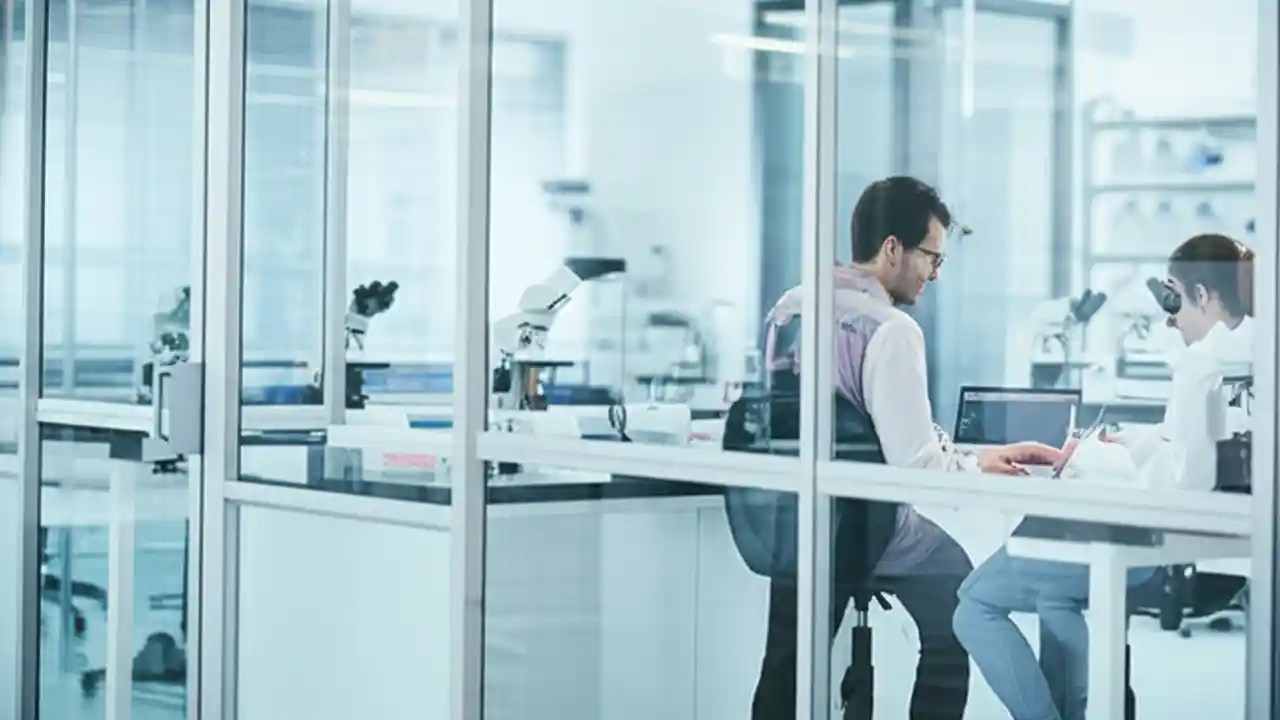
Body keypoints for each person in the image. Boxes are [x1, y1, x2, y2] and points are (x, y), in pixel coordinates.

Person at [752, 176, 1063, 720]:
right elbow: (915, 468)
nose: (936, 274)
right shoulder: (891, 329)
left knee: (787, 661)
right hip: (867, 526)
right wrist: (972, 466)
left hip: (795, 523)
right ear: (892, 248)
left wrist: (968, 457)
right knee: (961, 607)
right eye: (931, 257)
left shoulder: (790, 308)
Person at [952, 233, 1255, 720]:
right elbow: (1199, 448)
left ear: (1202, 295)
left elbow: (1184, 482)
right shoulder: (1249, 350)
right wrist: (1131, 444)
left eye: (1174, 296)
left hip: (1152, 539)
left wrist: (1095, 459)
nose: (1169, 315)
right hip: (1190, 537)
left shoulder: (1200, 363)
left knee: (975, 601)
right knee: (1055, 597)